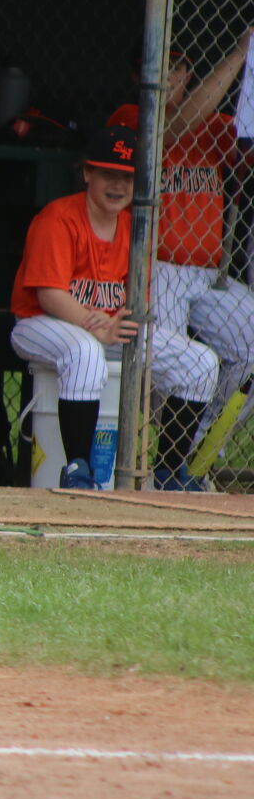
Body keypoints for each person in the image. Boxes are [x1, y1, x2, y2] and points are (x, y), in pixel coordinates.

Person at [9, 126, 218, 491]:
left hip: (103, 326)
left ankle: (168, 473)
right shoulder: (58, 218)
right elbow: (50, 296)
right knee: (85, 351)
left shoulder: (134, 227)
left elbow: (135, 299)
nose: (118, 185)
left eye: (127, 176)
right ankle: (77, 470)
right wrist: (100, 327)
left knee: (199, 364)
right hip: (40, 324)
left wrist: (115, 322)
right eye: (107, 173)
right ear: (87, 172)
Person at [109, 42, 254, 486]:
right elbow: (174, 127)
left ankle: (191, 450)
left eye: (177, 66)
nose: (167, 74)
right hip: (157, 267)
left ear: (189, 72)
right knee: (167, 376)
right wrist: (239, 54)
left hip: (209, 276)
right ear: (138, 77)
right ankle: (147, 463)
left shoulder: (218, 128)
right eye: (155, 67)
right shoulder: (131, 118)